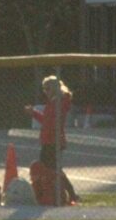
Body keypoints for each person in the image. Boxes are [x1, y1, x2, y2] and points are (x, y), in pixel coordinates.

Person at [24, 75, 79, 205]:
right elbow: (46, 121)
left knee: (52, 169)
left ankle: (68, 194)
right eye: (44, 89)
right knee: (52, 169)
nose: (45, 92)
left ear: (54, 89)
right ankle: (60, 193)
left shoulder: (60, 102)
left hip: (54, 141)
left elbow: (53, 121)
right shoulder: (52, 103)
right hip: (47, 140)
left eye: (47, 88)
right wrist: (34, 113)